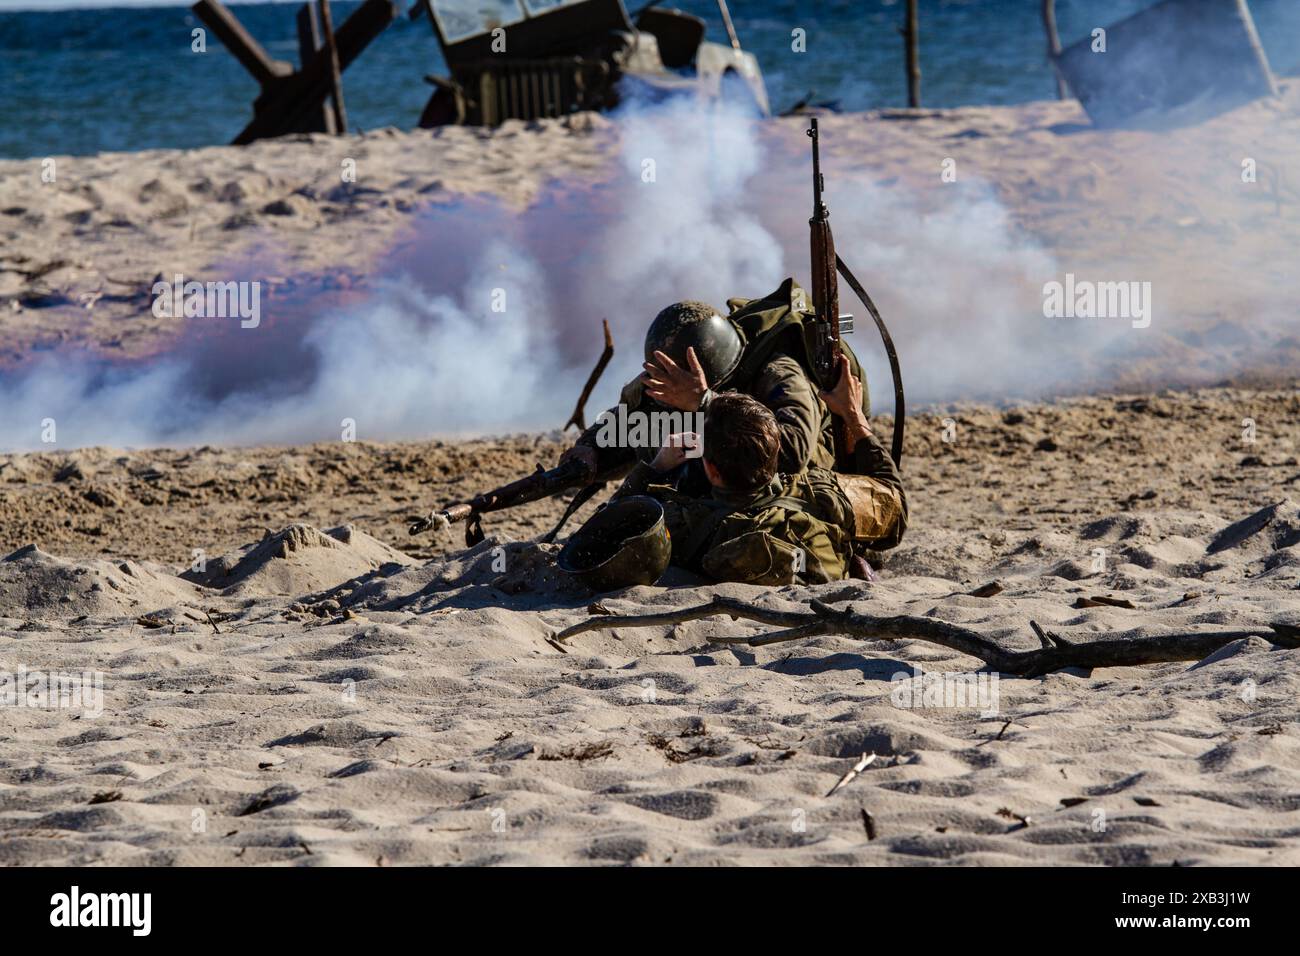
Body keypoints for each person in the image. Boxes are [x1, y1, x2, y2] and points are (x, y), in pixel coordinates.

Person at [609, 355, 906, 585]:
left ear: (711, 469)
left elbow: (604, 536)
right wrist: (855, 419)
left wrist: (657, 466)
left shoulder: (680, 523)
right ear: (776, 452)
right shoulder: (824, 496)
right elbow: (895, 509)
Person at [561, 280, 871, 484]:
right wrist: (589, 448)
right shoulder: (677, 382)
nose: (669, 390)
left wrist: (705, 403)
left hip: (796, 480)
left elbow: (794, 453)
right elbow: (634, 418)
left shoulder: (778, 372)